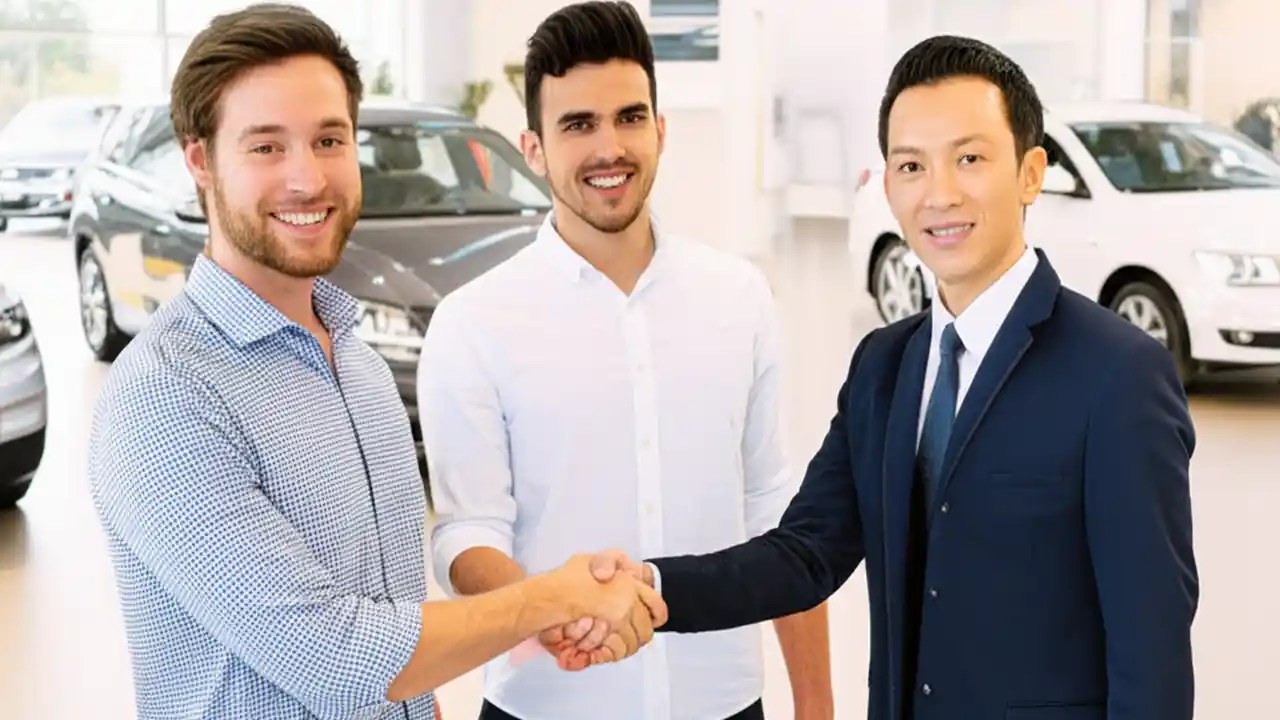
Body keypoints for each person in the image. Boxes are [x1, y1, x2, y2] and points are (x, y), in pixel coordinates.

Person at [593, 35, 1200, 720]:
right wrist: (652, 587)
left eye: (969, 159)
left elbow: (1152, 658)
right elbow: (806, 555)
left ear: (1030, 173)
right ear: (887, 186)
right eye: (911, 166)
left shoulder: (1118, 374)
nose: (939, 194)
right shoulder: (883, 365)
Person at [86, 5, 664, 720]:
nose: (307, 179)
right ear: (200, 161)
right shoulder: (165, 395)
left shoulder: (357, 364)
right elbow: (334, 655)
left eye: (329, 140)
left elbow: (392, 620)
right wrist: (554, 597)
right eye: (266, 147)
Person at [416, 3, 833, 719]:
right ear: (534, 148)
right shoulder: (473, 323)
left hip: (723, 700)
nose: (609, 148)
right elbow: (467, 531)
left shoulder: (739, 297)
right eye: (578, 124)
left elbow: (774, 511)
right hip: (548, 703)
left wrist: (817, 705)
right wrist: (550, 612)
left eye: (629, 118)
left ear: (660, 130)